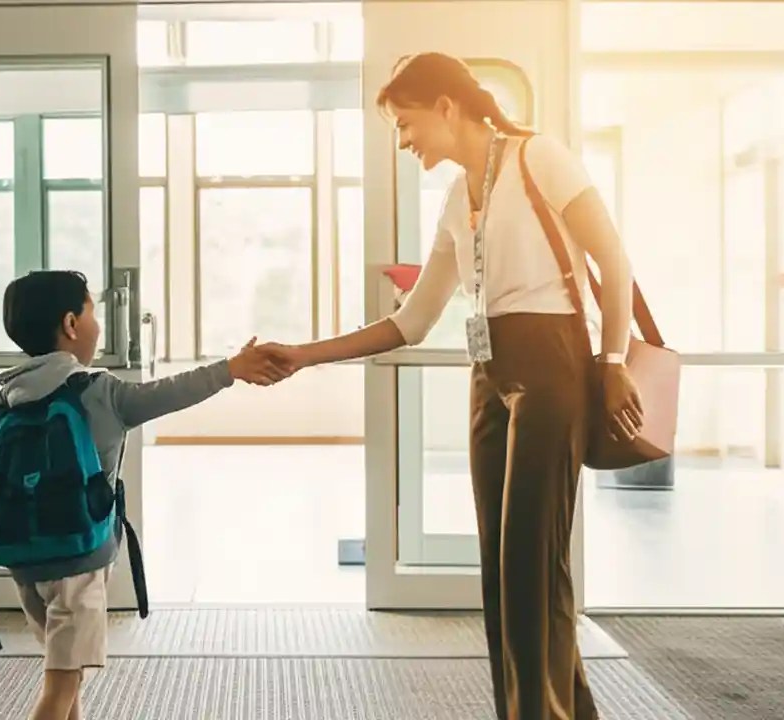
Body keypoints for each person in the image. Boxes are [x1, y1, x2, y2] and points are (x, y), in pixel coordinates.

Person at [259, 52, 644, 720]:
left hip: (553, 363)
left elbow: (613, 258)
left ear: (445, 106)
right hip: (489, 374)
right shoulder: (453, 198)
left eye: (406, 125)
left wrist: (611, 365)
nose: (404, 142)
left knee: (531, 563)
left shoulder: (539, 158)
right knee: (503, 574)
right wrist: (302, 354)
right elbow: (410, 322)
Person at [0, 270, 288, 720]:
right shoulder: (96, 392)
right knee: (59, 686)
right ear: (70, 325)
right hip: (78, 562)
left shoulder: (3, 401)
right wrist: (230, 370)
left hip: (24, 563)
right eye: (91, 311)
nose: (97, 324)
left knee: (69, 673)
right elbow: (169, 394)